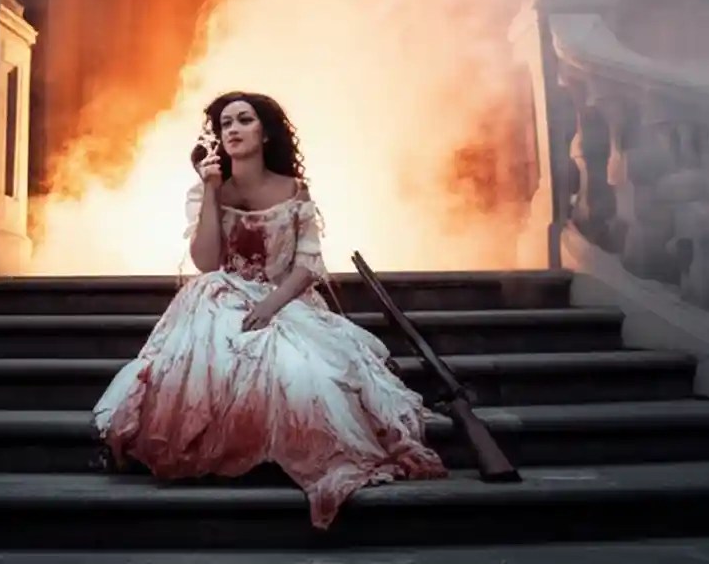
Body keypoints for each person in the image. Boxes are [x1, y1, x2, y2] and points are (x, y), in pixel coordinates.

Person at [92, 91, 446, 530]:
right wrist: (209, 190)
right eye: (225, 124)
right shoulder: (208, 189)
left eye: (244, 120)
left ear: (264, 131)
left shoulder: (295, 191)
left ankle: (280, 454)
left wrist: (270, 306)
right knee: (215, 360)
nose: (234, 130)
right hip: (220, 295)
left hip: (285, 299)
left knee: (303, 373)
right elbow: (205, 261)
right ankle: (233, 454)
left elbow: (306, 266)